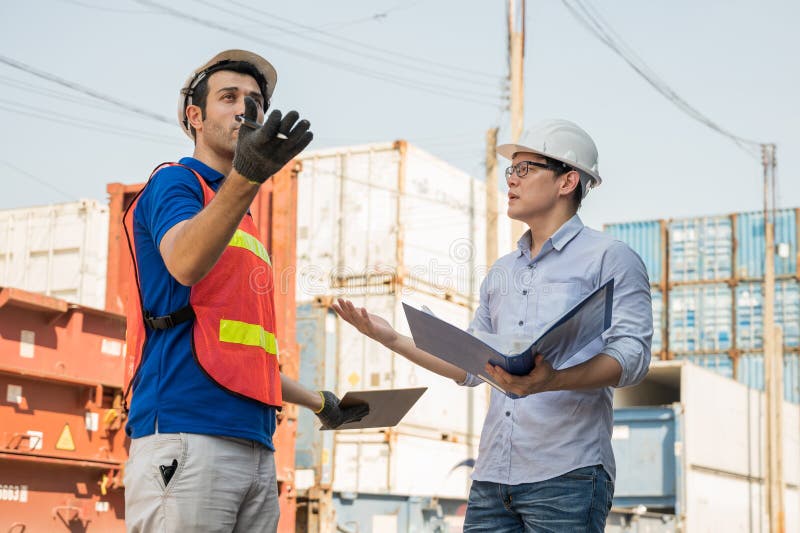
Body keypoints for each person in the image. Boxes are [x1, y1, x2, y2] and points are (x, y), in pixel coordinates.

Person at [334, 119, 652, 532]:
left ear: (567, 180)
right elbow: (469, 368)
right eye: (510, 171)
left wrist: (551, 380)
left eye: (525, 169)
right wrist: (390, 337)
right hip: (491, 479)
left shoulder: (612, 258)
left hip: (568, 475)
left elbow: (632, 357)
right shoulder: (502, 272)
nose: (512, 181)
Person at [122, 49, 368, 533]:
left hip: (253, 443)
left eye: (254, 101)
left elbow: (237, 355)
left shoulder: (243, 218)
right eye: (228, 98)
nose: (243, 110)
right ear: (194, 116)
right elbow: (186, 262)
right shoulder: (176, 183)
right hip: (187, 433)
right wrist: (248, 177)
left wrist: (320, 401)